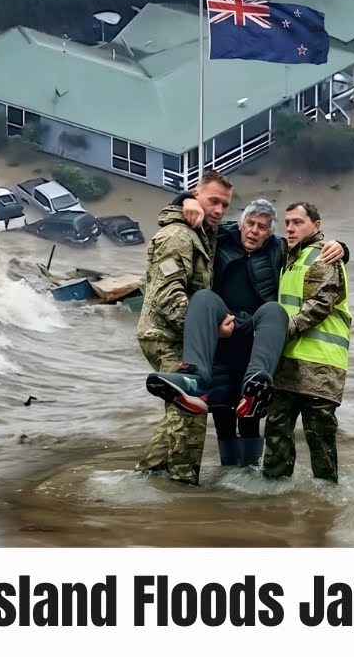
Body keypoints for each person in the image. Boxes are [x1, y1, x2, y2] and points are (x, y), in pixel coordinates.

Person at [146, 195, 345, 469]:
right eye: (250, 224)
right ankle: (195, 381)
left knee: (250, 411)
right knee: (222, 412)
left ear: (270, 234)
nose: (254, 231)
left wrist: (342, 246)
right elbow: (189, 218)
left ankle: (249, 472)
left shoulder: (280, 249)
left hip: (255, 338)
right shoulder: (221, 238)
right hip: (223, 334)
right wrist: (185, 199)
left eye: (263, 227)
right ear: (240, 224)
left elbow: (311, 248)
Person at [134, 171, 234, 485]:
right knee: (187, 411)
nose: (219, 210)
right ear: (197, 194)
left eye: (225, 205)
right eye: (212, 201)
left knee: (189, 409)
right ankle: (162, 480)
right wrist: (206, 331)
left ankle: (166, 481)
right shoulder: (179, 235)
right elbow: (167, 296)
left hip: (177, 335)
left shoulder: (203, 232)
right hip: (166, 336)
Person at [260, 202, 350, 483]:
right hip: (287, 364)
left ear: (317, 226)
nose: (290, 227)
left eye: (298, 222)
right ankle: (274, 501)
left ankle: (326, 508)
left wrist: (280, 330)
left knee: (320, 442)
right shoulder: (290, 258)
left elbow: (320, 304)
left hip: (321, 368)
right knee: (275, 435)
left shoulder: (322, 257)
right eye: (287, 222)